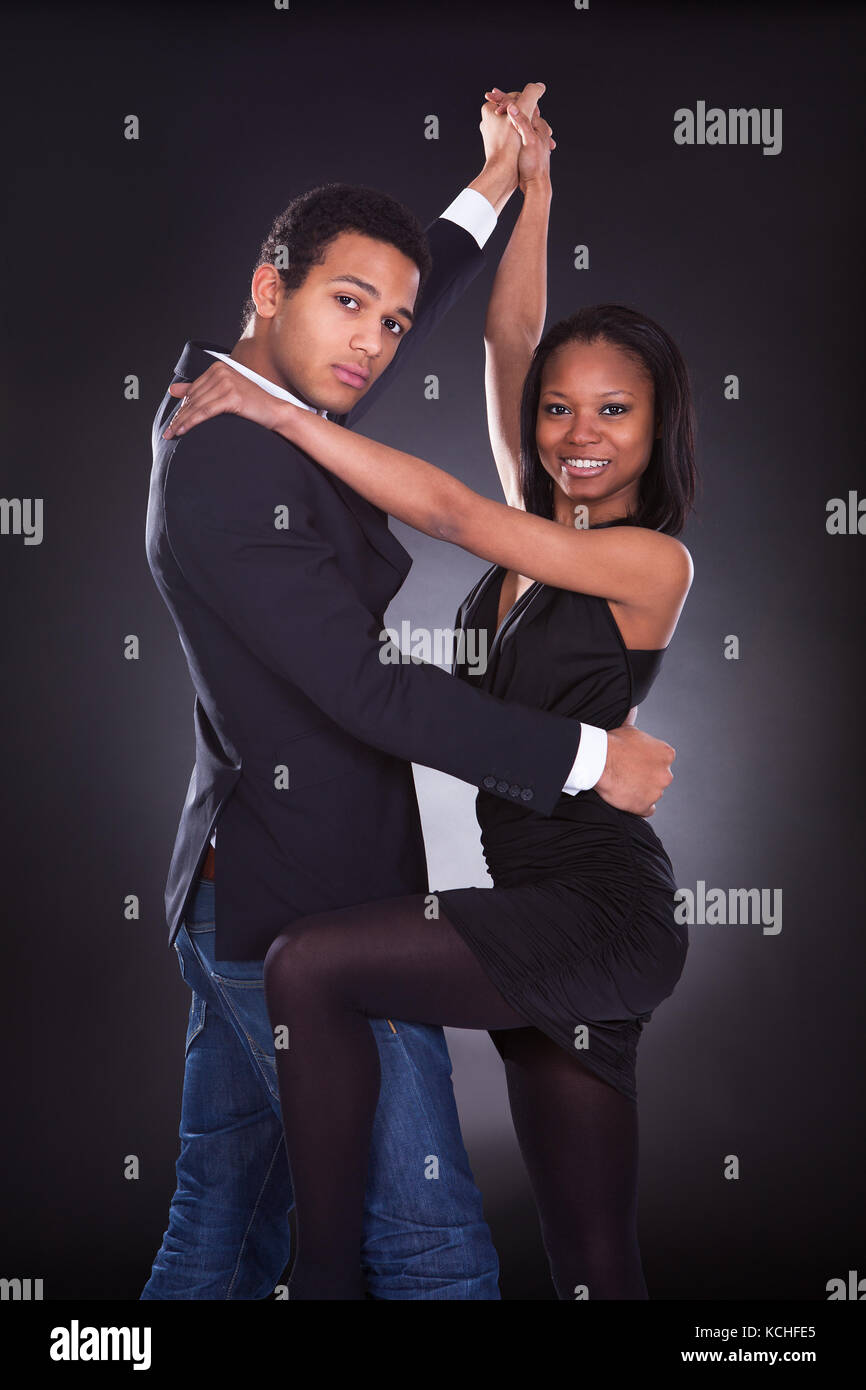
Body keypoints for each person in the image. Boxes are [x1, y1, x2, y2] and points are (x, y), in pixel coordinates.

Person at [144, 83, 677, 1301]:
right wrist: (595, 756)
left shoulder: (627, 552)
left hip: (361, 894)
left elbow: (421, 308)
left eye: (389, 323)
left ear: (659, 432)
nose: (376, 341)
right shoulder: (236, 452)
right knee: (420, 1240)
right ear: (269, 289)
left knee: (223, 1225)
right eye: (349, 307)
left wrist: (500, 180)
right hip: (294, 886)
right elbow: (376, 683)